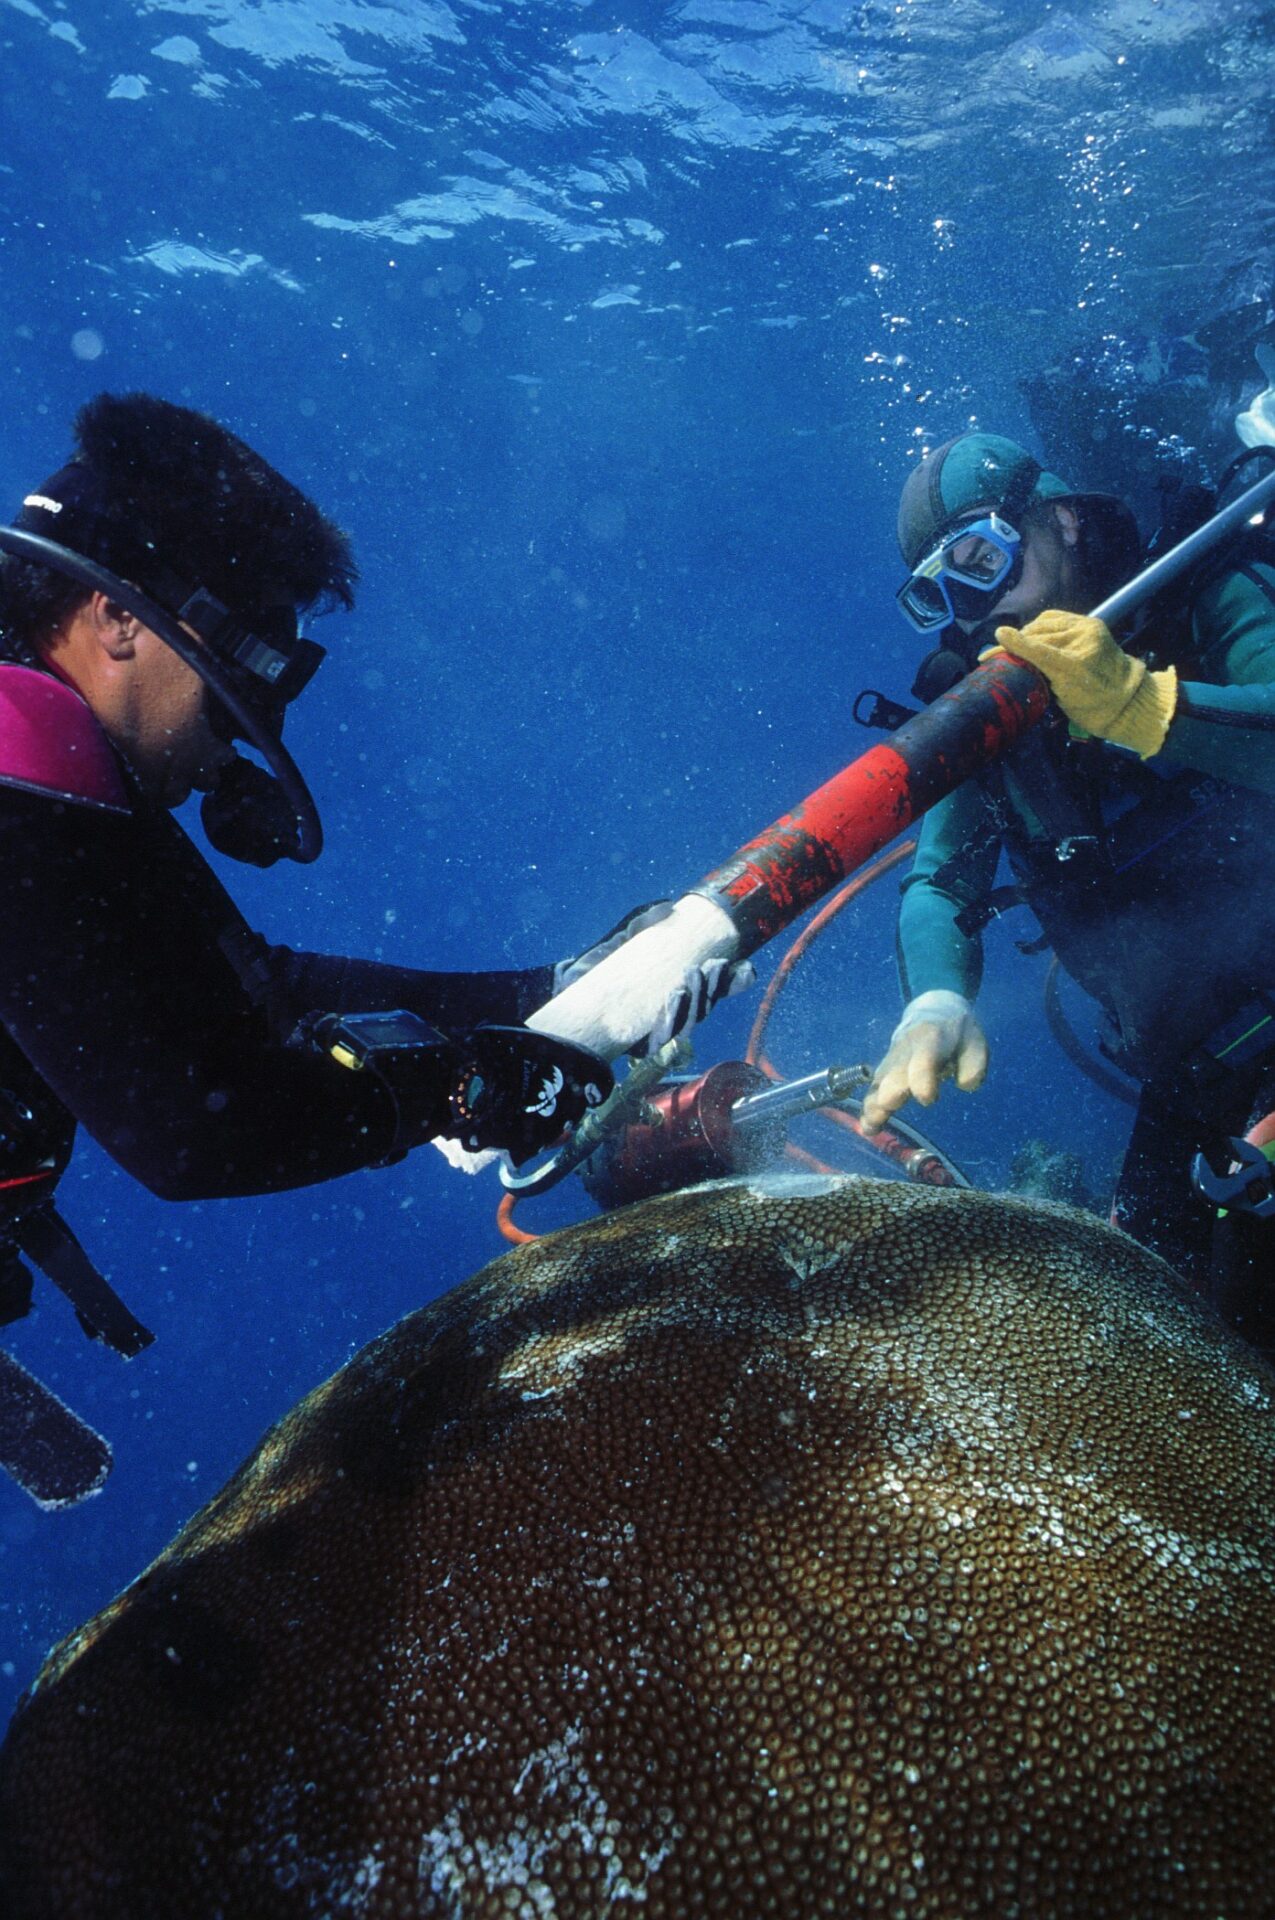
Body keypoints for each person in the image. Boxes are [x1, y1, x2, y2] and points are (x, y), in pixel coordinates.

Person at [0, 393, 742, 1442]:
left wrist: (544, 992)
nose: (223, 754)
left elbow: (256, 983)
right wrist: (457, 1087)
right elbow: (186, 1137)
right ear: (117, 619)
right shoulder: (18, 790)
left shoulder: (56, 779)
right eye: (227, 705)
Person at [861, 429, 1275, 1349]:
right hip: (1195, 1073)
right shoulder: (990, 711)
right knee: (1159, 1321)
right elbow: (938, 880)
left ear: (1057, 523)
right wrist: (934, 994)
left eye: (979, 559)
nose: (969, 607)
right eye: (939, 589)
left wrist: (1145, 705)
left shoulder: (1204, 591)